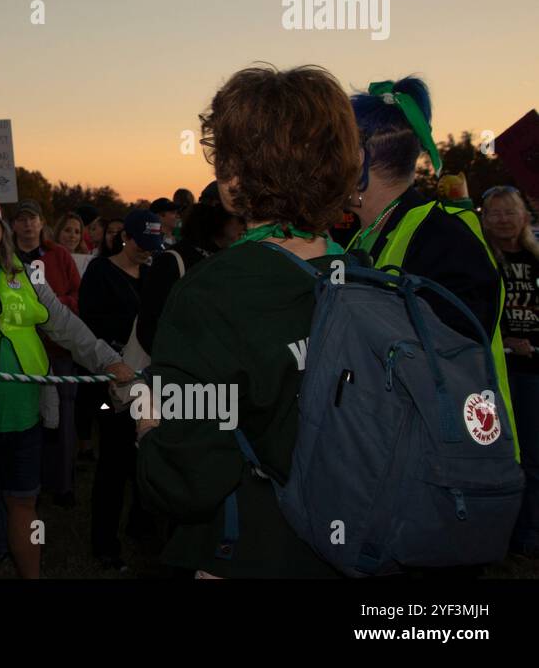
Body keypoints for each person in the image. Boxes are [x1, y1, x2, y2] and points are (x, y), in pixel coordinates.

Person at [136, 64, 360, 577]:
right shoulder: (367, 275)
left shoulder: (212, 292)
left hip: (255, 548)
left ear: (234, 181)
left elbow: (185, 477)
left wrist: (148, 428)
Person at [0, 189, 133, 578]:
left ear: (2, 228)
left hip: (25, 417)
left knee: (25, 506)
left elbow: (65, 326)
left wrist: (109, 359)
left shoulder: (28, 274)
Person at [345, 78, 516, 453]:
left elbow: (447, 364)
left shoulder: (443, 238)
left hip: (456, 475)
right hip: (403, 465)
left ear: (358, 160)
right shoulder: (364, 236)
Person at [79, 208, 164, 570]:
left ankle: (141, 527)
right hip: (112, 382)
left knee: (144, 457)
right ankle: (104, 543)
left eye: (153, 245)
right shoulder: (100, 272)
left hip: (147, 381)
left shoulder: (152, 275)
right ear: (125, 237)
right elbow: (89, 325)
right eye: (142, 244)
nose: (147, 251)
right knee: (113, 463)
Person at [10, 199, 82, 507]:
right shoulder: (5, 258)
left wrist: (53, 307)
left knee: (63, 418)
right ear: (13, 225)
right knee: (26, 419)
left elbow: (79, 296)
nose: (28, 225)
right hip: (19, 351)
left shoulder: (59, 255)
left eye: (33, 218)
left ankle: (62, 484)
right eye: (22, 219)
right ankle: (29, 485)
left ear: (42, 223)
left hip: (58, 349)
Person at [480, 185, 539, 556]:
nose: (503, 219)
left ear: (525, 217)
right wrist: (505, 340)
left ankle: (529, 535)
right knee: (502, 455)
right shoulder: (483, 260)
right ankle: (501, 536)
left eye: (510, 212)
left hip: (535, 370)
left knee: (533, 456)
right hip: (498, 372)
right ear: (484, 219)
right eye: (495, 213)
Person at [136, 182, 243, 352]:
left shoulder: (233, 261)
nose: (245, 226)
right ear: (218, 217)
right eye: (240, 218)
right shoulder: (172, 262)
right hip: (180, 373)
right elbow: (149, 329)